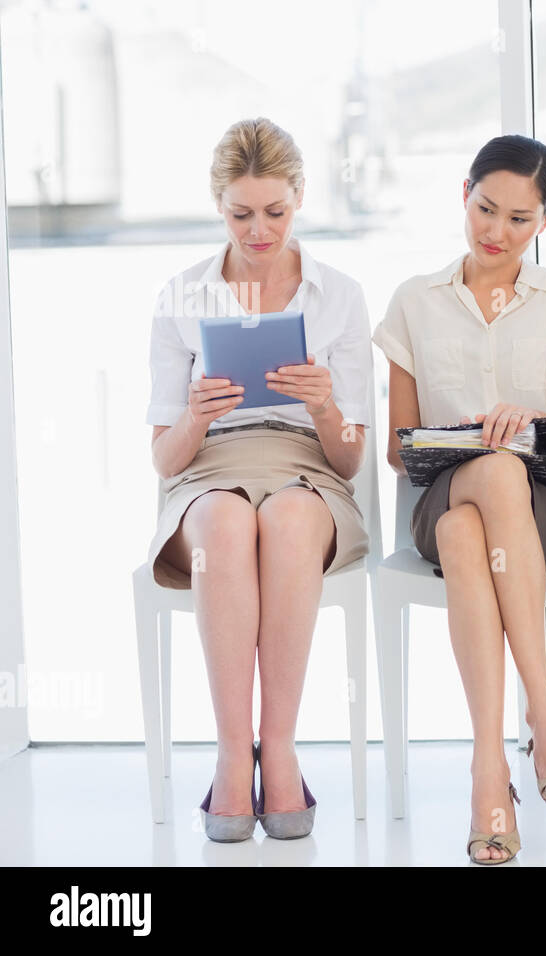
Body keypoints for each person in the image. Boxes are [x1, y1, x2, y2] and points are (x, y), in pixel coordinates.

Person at [373, 134, 546, 865]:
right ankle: (543, 709)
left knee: (478, 518)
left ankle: (487, 772)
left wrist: (523, 423)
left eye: (518, 219)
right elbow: (397, 448)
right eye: (484, 209)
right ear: (463, 192)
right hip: (442, 488)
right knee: (477, 492)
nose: (495, 232)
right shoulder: (415, 300)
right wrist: (469, 437)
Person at [145, 117, 374, 842]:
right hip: (208, 468)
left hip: (305, 465)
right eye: (242, 213)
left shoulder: (337, 295)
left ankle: (278, 749)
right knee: (225, 520)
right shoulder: (181, 296)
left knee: (289, 518)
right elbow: (164, 458)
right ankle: (227, 753)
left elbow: (349, 461)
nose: (259, 229)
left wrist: (324, 403)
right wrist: (195, 414)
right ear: (219, 205)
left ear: (300, 197)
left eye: (275, 211)